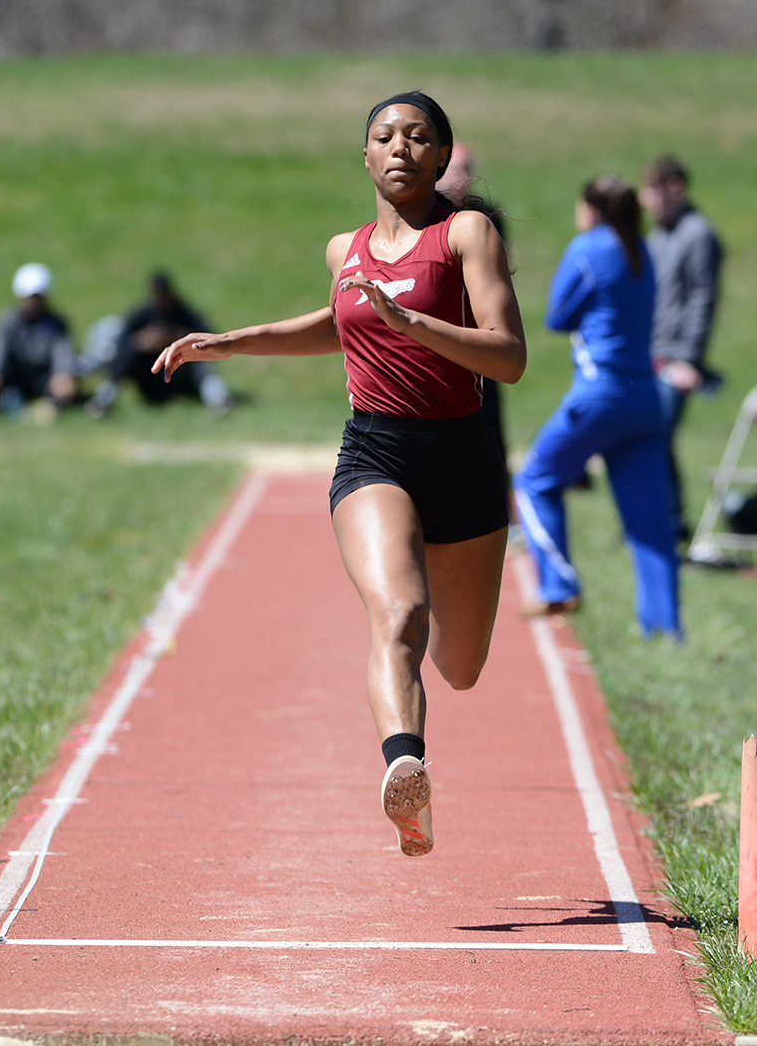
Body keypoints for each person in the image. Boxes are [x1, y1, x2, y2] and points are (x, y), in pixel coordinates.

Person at [150, 92, 525, 858]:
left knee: (460, 666)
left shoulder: (466, 235)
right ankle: (405, 769)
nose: (400, 148)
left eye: (419, 138)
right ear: (364, 155)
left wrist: (412, 322)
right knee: (399, 616)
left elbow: (510, 356)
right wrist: (233, 342)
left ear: (443, 156)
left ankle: (412, 750)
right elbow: (338, 325)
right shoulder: (342, 250)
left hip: (464, 459)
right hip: (376, 454)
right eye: (384, 136)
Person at [512, 175, 680, 638]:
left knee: (533, 479)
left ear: (590, 208)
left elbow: (556, 316)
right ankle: (664, 626)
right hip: (647, 396)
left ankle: (557, 584)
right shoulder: (642, 250)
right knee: (648, 519)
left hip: (600, 392)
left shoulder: (587, 248)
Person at [641, 155, 724, 545]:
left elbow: (702, 299)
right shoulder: (658, 236)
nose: (647, 200)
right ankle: (656, 518)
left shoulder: (697, 234)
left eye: (653, 190)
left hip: (676, 359)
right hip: (649, 355)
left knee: (657, 436)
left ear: (675, 186)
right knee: (647, 437)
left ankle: (670, 520)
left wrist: (689, 359)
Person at [438, 143, 511, 462]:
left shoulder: (486, 218)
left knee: (489, 422)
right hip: (439, 333)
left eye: (466, 168)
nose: (460, 175)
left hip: (479, 331)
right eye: (455, 167)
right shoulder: (427, 215)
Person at [88, 273, 233, 417]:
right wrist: (141, 342)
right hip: (149, 372)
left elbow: (210, 339)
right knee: (127, 355)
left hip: (179, 373)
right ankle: (103, 401)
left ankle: (219, 400)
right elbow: (120, 344)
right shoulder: (141, 315)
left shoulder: (184, 314)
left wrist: (174, 339)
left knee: (201, 358)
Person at [0, 263, 78, 413]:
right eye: (29, 297)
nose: (33, 302)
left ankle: (52, 408)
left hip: (45, 378)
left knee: (65, 384)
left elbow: (63, 361)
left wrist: (63, 378)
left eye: (37, 297)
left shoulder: (57, 324)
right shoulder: (7, 321)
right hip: (14, 377)